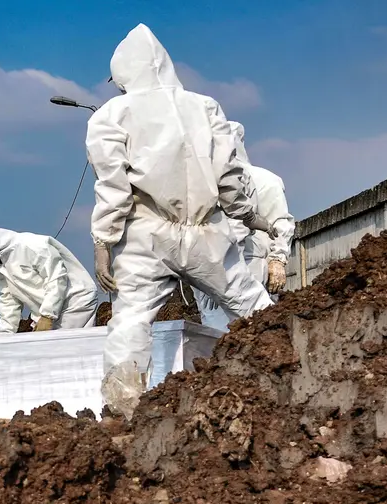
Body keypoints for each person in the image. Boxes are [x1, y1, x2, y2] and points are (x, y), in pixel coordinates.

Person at [87, 24, 277, 419]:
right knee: (252, 302)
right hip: (206, 232)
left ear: (123, 71)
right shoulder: (205, 106)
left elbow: (114, 186)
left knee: (131, 321)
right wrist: (247, 215)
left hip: (145, 235)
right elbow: (229, 175)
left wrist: (103, 241)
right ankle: (288, 363)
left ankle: (124, 412)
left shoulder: (111, 115)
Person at [192, 121, 296, 329]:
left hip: (249, 263)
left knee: (252, 325)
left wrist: (277, 260)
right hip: (209, 268)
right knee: (215, 333)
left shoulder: (264, 180)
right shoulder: (201, 183)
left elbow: (280, 223)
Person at [0, 225, 98, 334]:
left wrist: (47, 316)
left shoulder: (33, 246)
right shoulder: (0, 266)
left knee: (67, 349)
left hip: (75, 301)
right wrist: (4, 335)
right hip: (49, 310)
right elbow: (9, 301)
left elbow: (56, 279)